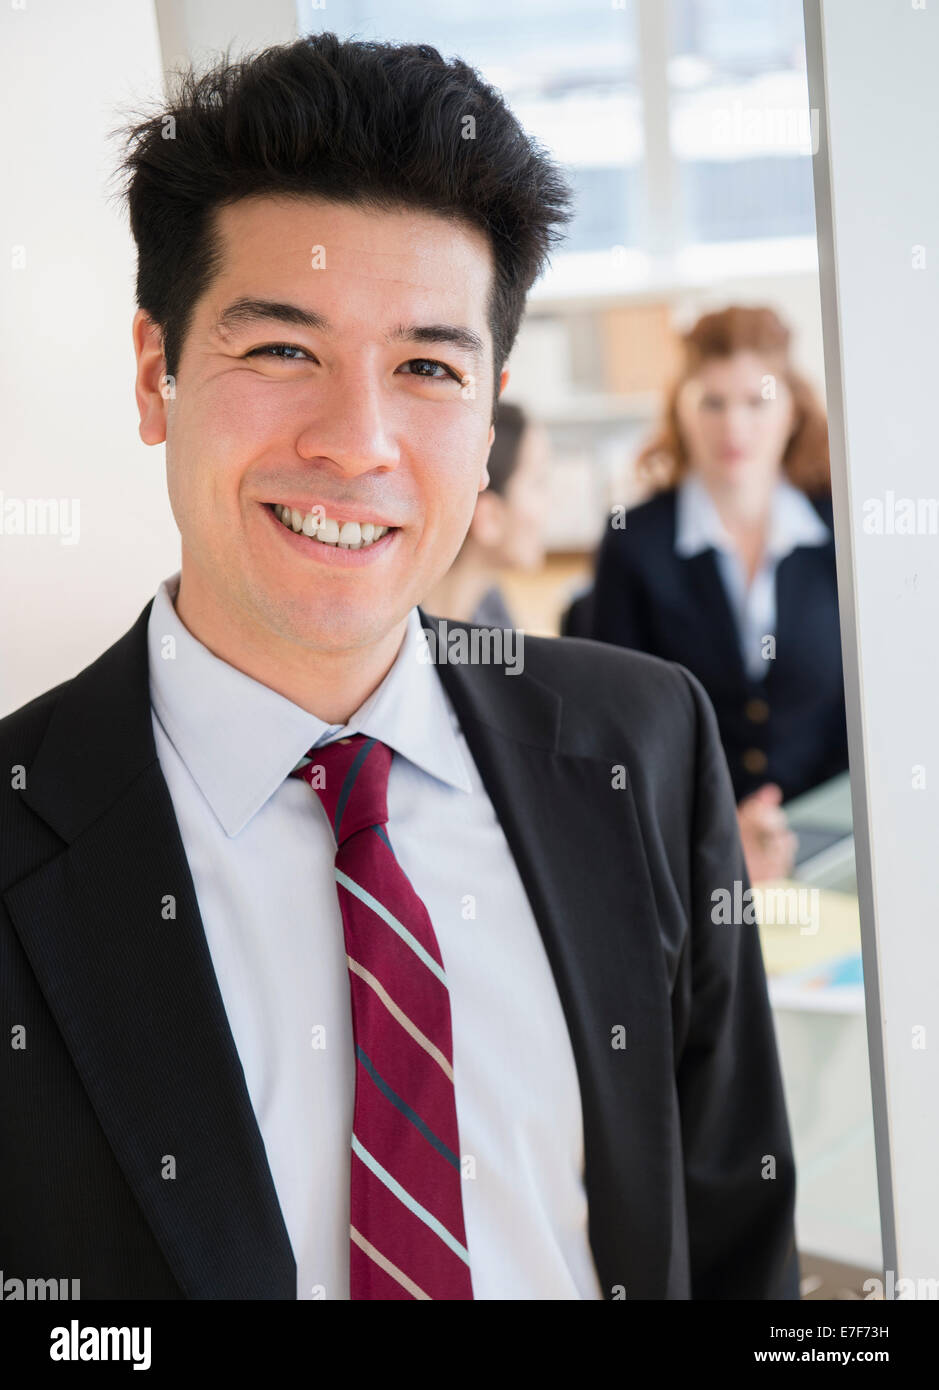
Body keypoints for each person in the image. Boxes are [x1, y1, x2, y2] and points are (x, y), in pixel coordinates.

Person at [0, 36, 797, 1300]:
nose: (356, 443)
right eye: (280, 350)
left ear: (488, 420)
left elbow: (736, 1243)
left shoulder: (643, 742)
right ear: (156, 373)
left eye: (427, 367)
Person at [588, 306, 848, 884]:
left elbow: (862, 711)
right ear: (680, 410)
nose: (735, 428)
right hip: (682, 846)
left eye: (756, 403)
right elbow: (613, 724)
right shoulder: (635, 541)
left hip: (832, 838)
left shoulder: (840, 531)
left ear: (791, 410)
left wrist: (790, 825)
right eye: (712, 402)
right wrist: (716, 830)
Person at [423, 400, 549, 627]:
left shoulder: (492, 609)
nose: (549, 506)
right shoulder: (391, 639)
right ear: (488, 515)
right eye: (538, 483)